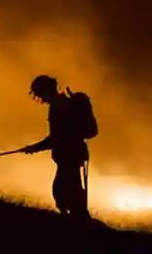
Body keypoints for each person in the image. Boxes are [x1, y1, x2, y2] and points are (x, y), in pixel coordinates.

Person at [20, 74, 97, 218]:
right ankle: (79, 221)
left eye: (39, 93)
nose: (39, 98)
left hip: (69, 156)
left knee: (63, 194)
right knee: (69, 193)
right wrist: (34, 148)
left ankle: (80, 225)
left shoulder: (58, 107)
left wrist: (34, 148)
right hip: (73, 155)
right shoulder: (63, 103)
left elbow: (56, 138)